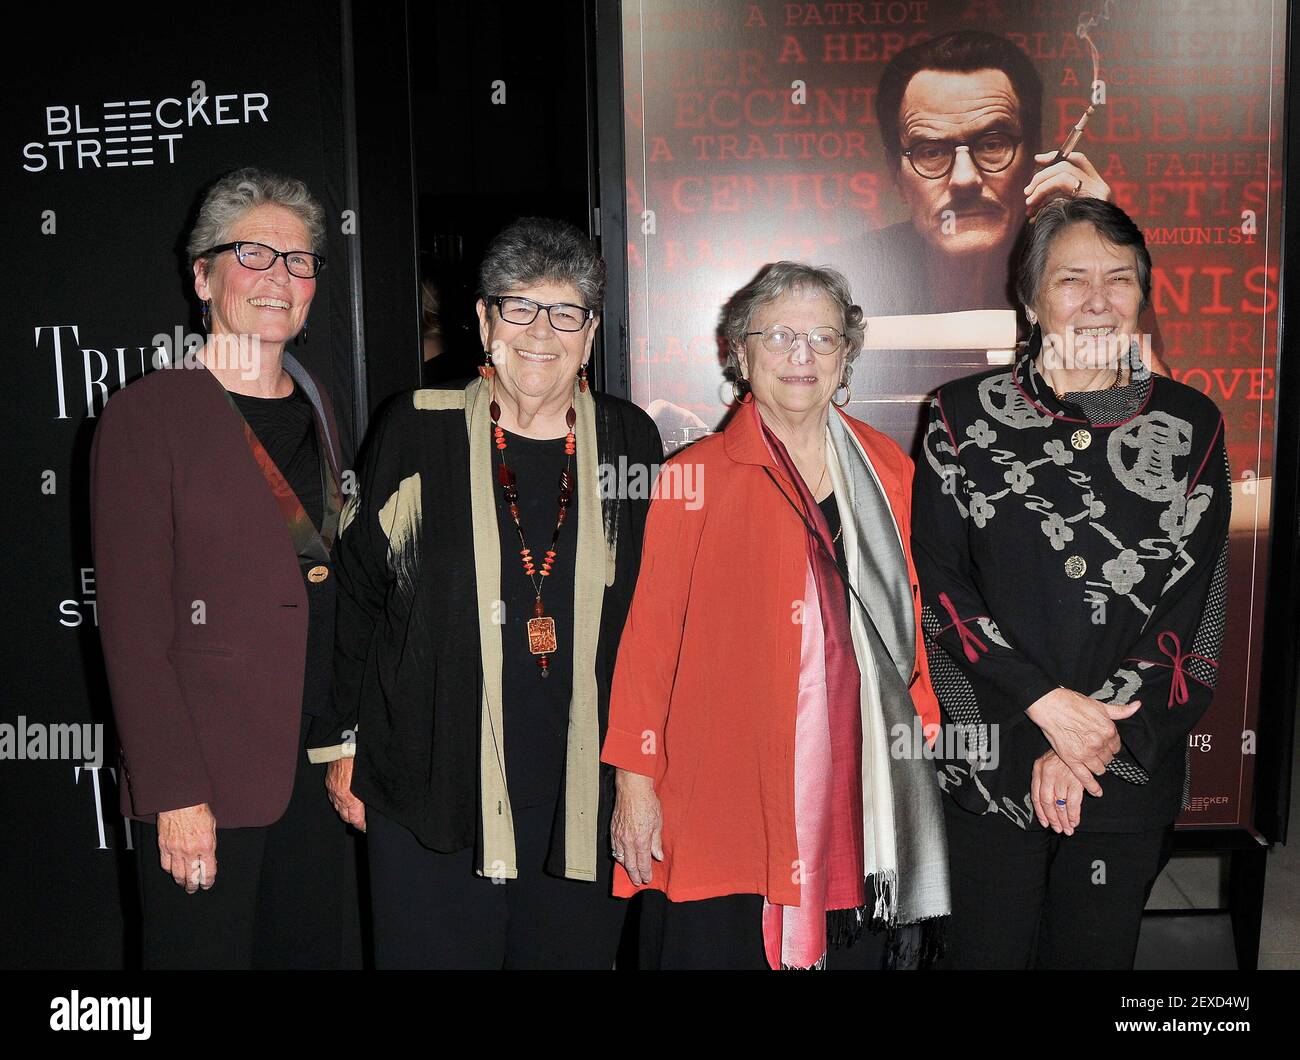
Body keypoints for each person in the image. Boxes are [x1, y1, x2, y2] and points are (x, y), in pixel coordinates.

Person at [309, 216, 663, 969]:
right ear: (482, 320)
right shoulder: (416, 428)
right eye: (518, 306)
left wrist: (641, 774)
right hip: (427, 783)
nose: (542, 331)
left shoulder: (630, 442)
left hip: (578, 795)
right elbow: (356, 597)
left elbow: (650, 624)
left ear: (592, 331)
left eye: (566, 311)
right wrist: (344, 744)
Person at [911, 197, 1231, 969]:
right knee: (982, 954)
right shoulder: (959, 419)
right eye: (1072, 280)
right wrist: (1044, 709)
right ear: (1030, 298)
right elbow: (940, 589)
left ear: (1143, 296)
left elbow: (1196, 609)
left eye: (1119, 280)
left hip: (1125, 759)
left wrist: (1089, 741)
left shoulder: (1191, 425)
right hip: (992, 756)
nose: (1097, 300)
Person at [604, 261, 950, 970]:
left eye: (824, 338)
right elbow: (648, 641)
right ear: (740, 351)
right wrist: (634, 783)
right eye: (780, 336)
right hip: (718, 791)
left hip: (858, 788)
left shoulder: (889, 470)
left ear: (847, 356)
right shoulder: (691, 477)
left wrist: (923, 736)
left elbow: (909, 625)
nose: (802, 356)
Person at [90, 167, 355, 969]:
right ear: (202, 275)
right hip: (207, 780)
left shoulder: (319, 402)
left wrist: (349, 737)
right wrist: (173, 794)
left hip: (311, 772)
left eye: (300, 261)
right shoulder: (150, 414)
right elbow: (133, 629)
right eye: (255, 255)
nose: (281, 277)